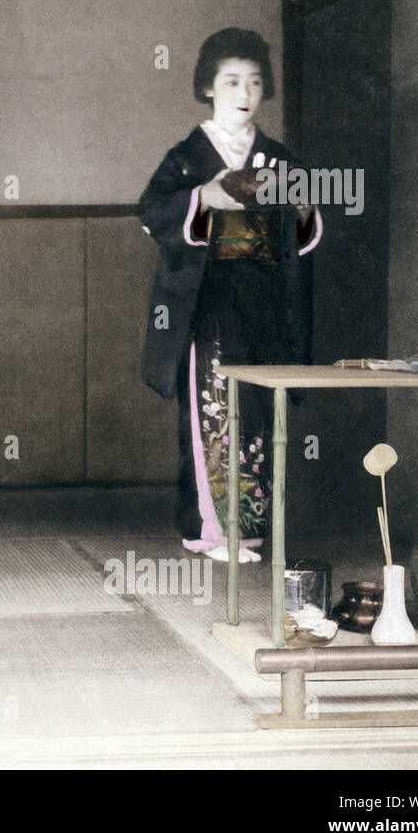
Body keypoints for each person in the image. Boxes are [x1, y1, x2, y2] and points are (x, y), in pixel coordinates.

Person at [138, 28, 322, 563]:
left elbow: (304, 234)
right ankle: (212, 529)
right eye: (232, 81)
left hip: (265, 300)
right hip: (209, 302)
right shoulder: (186, 157)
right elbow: (152, 212)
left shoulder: (279, 155)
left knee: (260, 408)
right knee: (213, 410)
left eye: (256, 82)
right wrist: (204, 196)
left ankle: (252, 527)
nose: (245, 93)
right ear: (208, 88)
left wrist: (305, 211)